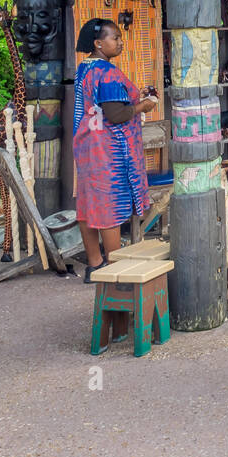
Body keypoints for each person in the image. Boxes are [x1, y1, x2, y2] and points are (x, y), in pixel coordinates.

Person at [73, 18, 157, 282]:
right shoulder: (107, 72)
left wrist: (133, 97)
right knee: (108, 209)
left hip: (87, 146)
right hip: (108, 151)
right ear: (99, 43)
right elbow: (116, 114)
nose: (120, 42)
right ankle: (114, 269)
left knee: (88, 206)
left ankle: (94, 264)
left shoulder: (84, 68)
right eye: (115, 38)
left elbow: (103, 102)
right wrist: (142, 105)